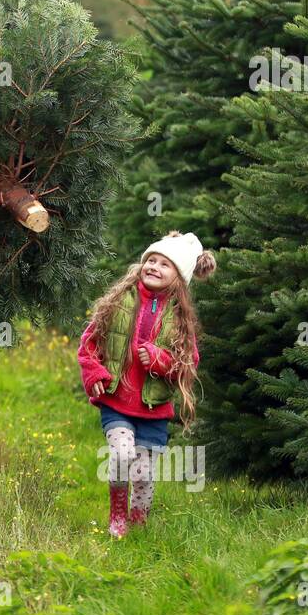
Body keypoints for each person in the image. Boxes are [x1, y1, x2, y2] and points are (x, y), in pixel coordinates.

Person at [77, 231, 216, 539]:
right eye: (150, 260)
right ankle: (117, 517)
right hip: (117, 401)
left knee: (143, 472)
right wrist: (95, 375)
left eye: (164, 264)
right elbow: (88, 343)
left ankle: (138, 524)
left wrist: (159, 360)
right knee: (122, 455)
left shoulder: (180, 319)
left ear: (178, 278)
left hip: (154, 408)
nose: (154, 266)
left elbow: (188, 362)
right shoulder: (118, 302)